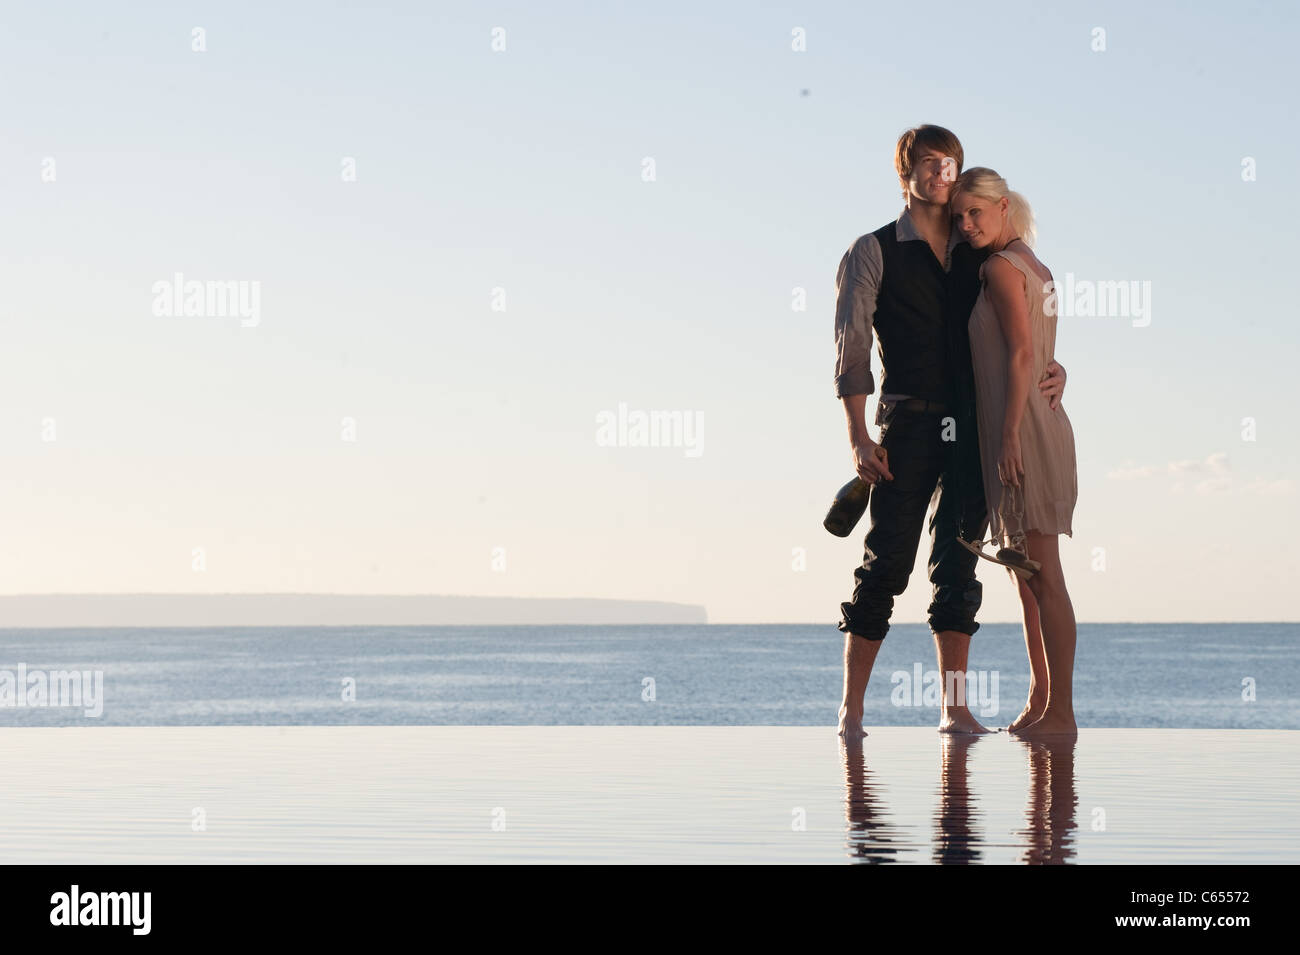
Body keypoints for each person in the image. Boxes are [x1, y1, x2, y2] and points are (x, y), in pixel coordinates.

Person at [834, 126, 1068, 738]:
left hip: (974, 425)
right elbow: (852, 348)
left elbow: (1023, 328)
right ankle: (852, 711)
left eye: (952, 163)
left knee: (960, 566)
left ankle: (954, 708)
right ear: (905, 172)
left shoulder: (980, 251)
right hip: (906, 423)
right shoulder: (873, 250)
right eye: (932, 164)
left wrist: (1055, 366)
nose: (944, 173)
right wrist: (859, 436)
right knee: (885, 564)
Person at [949, 167, 1079, 738]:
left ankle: (1063, 714)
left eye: (976, 212)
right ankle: (1040, 700)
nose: (966, 224)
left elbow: (1026, 355)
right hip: (1036, 420)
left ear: (1003, 207)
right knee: (1026, 574)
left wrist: (1005, 437)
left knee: (1043, 574)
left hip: (1021, 430)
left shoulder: (1002, 268)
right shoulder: (1037, 267)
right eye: (958, 217)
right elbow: (1047, 352)